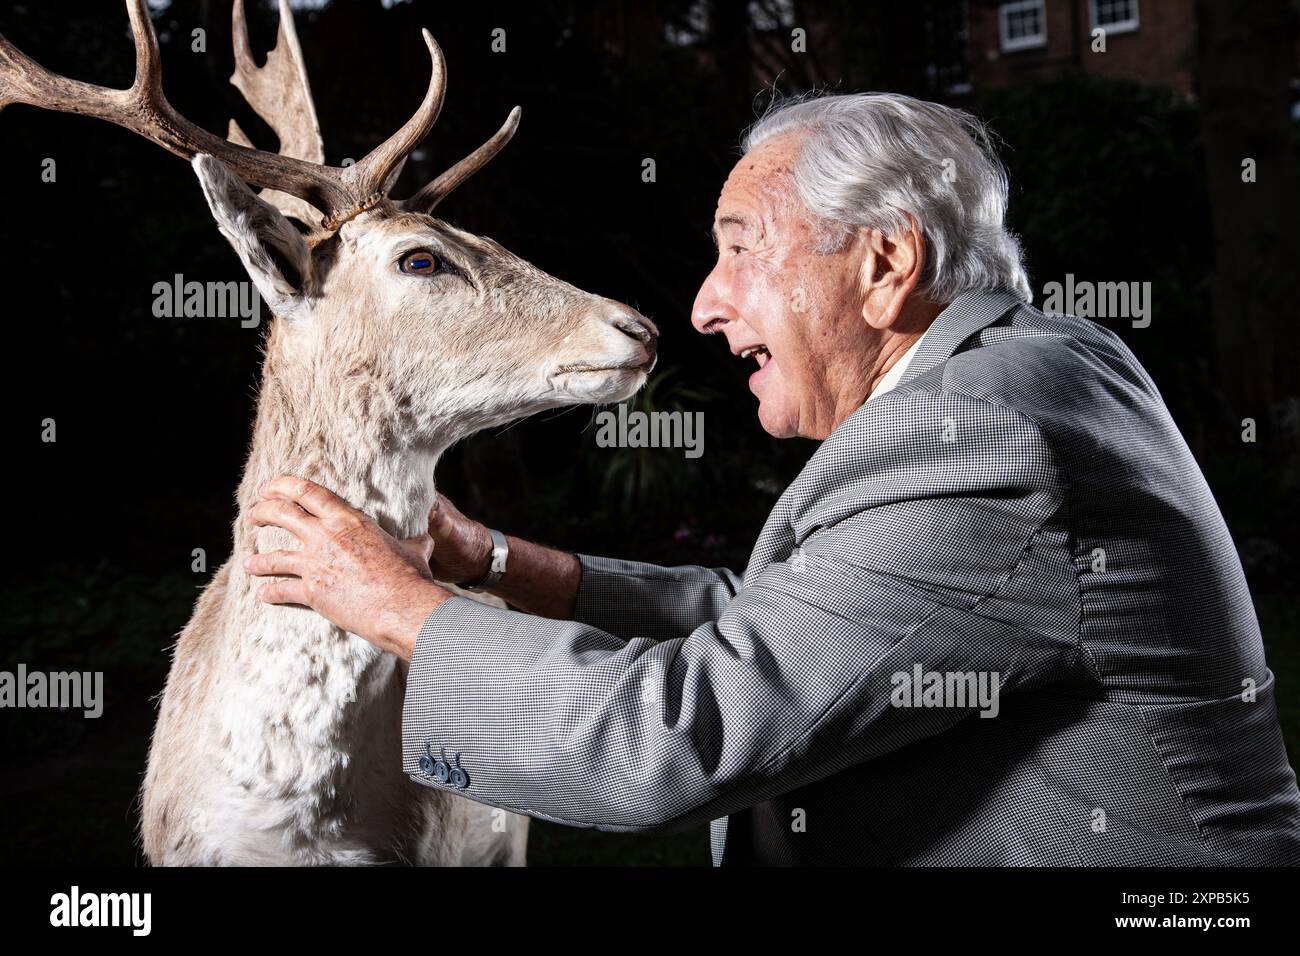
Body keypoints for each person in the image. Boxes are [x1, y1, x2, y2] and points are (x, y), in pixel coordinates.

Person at [244, 93, 1300, 865]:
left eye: (740, 250)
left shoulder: (982, 445)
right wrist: (510, 565)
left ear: (884, 266)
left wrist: (403, 606)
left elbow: (677, 736)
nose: (703, 307)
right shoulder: (1041, 366)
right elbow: (814, 632)